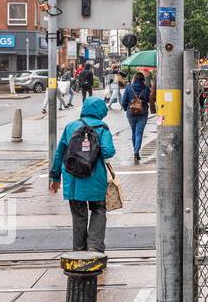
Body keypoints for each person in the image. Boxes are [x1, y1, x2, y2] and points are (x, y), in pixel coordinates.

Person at [49, 96, 117, 254]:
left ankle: (79, 250)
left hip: (72, 179)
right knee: (99, 210)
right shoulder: (102, 128)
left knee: (79, 215)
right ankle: (95, 248)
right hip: (95, 177)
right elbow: (108, 151)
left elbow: (59, 153)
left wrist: (55, 177)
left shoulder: (70, 126)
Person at [122, 71, 152, 163]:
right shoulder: (146, 88)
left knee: (133, 131)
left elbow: (124, 101)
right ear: (143, 79)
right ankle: (136, 151)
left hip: (131, 113)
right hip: (143, 112)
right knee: (139, 133)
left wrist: (125, 108)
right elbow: (148, 100)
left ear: (134, 79)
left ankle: (135, 150)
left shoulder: (128, 88)